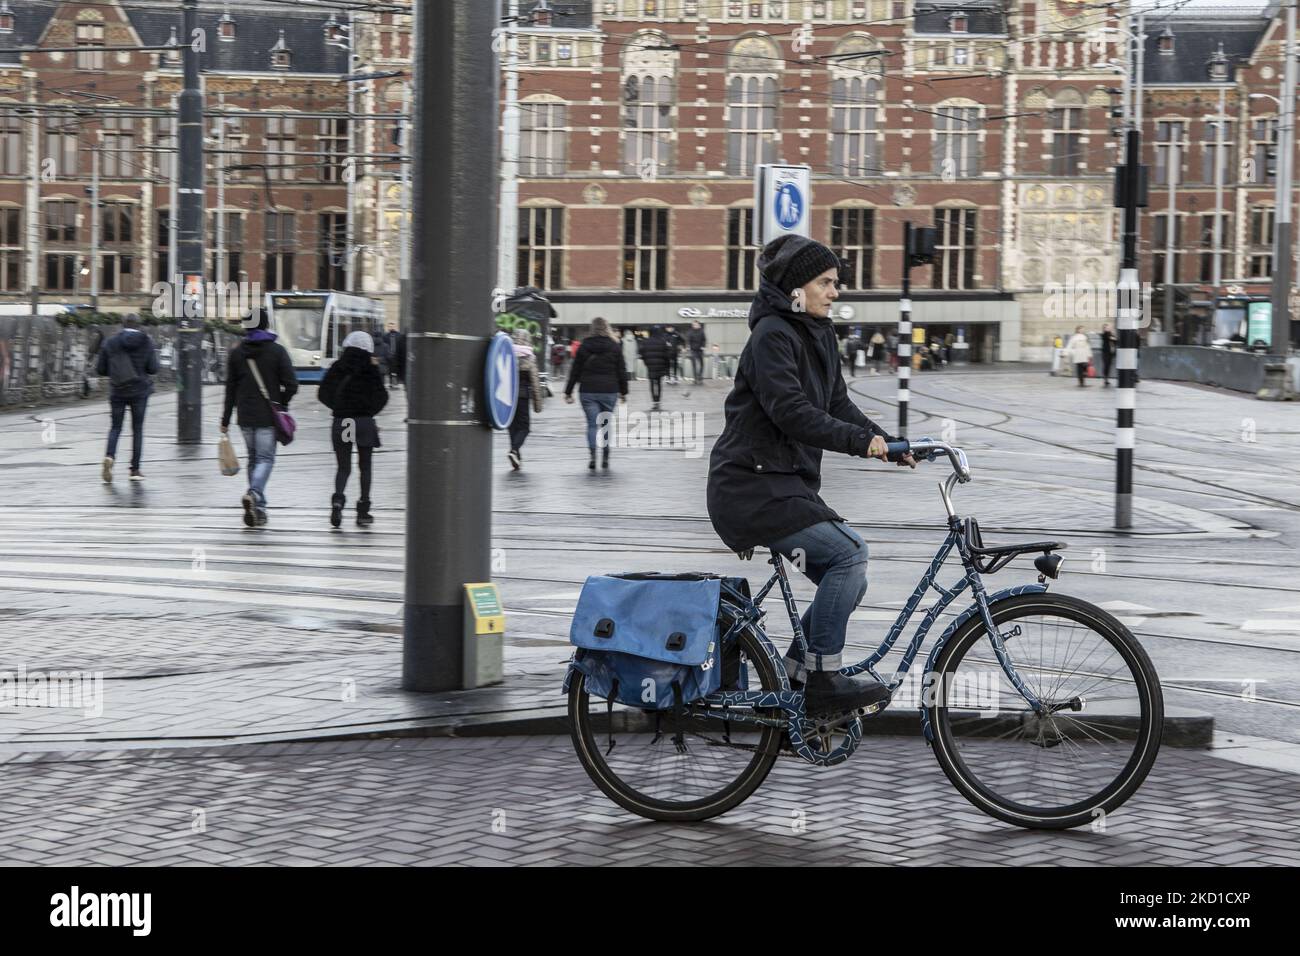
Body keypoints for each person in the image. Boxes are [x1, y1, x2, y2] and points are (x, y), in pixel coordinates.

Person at [707, 235, 914, 717]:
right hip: (751, 486)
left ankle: (796, 677)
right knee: (849, 554)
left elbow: (837, 404)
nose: (835, 292)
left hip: (785, 482)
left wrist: (889, 444)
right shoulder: (772, 336)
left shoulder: (818, 333)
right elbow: (792, 413)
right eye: (826, 282)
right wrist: (861, 443)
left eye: (836, 282)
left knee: (850, 579)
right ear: (796, 287)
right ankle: (821, 678)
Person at [221, 308, 298, 527]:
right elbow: (292, 384)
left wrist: (225, 419)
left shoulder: (236, 353)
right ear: (265, 324)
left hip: (244, 416)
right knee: (265, 459)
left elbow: (230, 389)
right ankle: (254, 495)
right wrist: (281, 402)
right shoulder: (277, 351)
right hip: (267, 416)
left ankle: (259, 508)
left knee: (253, 459)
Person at [318, 330, 388, 528]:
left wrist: (339, 407)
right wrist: (369, 411)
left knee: (344, 466)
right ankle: (363, 510)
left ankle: (338, 502)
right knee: (365, 466)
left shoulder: (337, 367)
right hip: (364, 423)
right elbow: (382, 396)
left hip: (343, 422)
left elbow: (322, 394)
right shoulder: (371, 368)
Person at [96, 314, 159, 483]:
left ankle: (110, 456)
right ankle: (135, 469)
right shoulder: (147, 341)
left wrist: (117, 371)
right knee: (137, 429)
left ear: (122, 325)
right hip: (140, 392)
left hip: (118, 390)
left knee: (115, 427)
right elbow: (153, 368)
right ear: (139, 326)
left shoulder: (111, 342)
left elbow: (100, 369)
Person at [564, 317, 628, 470]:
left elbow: (575, 370)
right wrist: (624, 392)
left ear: (592, 329)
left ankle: (593, 456)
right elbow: (621, 370)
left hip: (588, 391)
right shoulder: (614, 346)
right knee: (606, 424)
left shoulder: (584, 346)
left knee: (592, 425)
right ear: (607, 328)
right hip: (609, 390)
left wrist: (568, 391)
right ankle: (605, 456)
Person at [507, 327, 544, 470]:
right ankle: (514, 450)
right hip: (522, 395)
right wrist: (537, 404)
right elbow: (534, 381)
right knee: (525, 427)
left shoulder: (506, 353)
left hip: (507, 396)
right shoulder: (529, 356)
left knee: (512, 426)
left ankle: (516, 456)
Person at [639, 325, 672, 410]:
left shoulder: (646, 341)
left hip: (650, 366)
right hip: (660, 366)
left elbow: (641, 353)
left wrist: (646, 362)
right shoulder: (663, 341)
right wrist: (666, 366)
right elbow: (667, 355)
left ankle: (654, 401)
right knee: (658, 383)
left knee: (652, 383)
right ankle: (658, 401)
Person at [1100, 322, 1116, 387]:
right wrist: (1112, 338)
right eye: (1107, 327)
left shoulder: (1111, 334)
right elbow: (1107, 337)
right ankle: (1105, 378)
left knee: (1108, 366)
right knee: (1106, 365)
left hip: (1111, 353)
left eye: (1109, 327)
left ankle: (1106, 379)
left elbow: (1116, 341)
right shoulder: (1104, 334)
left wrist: (1113, 338)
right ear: (1104, 328)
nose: (1108, 328)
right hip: (1105, 352)